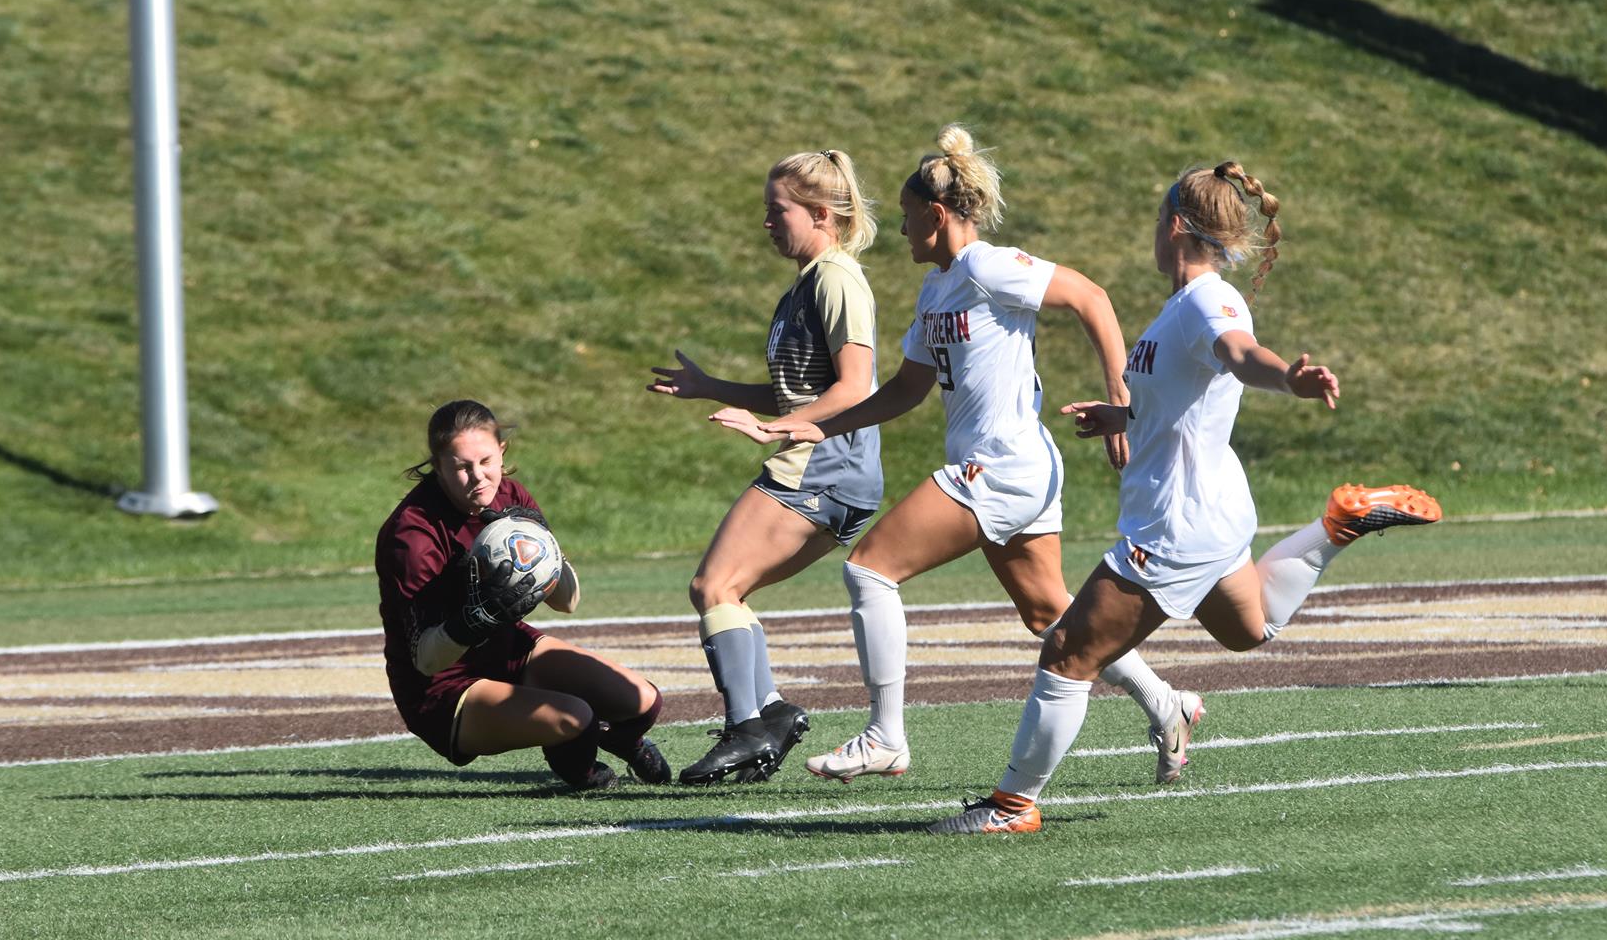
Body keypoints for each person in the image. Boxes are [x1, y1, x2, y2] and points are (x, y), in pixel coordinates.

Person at [927, 161, 1442, 835]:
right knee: (1247, 628)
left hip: (1175, 524)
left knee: (1067, 654)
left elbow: (1238, 351)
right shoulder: (1179, 305)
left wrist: (1287, 378)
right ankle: (1337, 524)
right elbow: (1184, 395)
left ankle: (1011, 805)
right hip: (1211, 509)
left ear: (1173, 224)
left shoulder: (1207, 299)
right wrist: (1123, 418)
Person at [715, 125, 1200, 783]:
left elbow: (1091, 297)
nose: (903, 232)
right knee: (1046, 611)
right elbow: (906, 390)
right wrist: (815, 426)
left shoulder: (984, 264)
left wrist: (1119, 386)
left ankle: (886, 734)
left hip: (1001, 465)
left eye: (911, 219)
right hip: (1014, 468)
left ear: (937, 215)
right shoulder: (937, 288)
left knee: (869, 570)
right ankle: (1165, 702)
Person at [647, 149, 885, 784]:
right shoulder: (808, 282)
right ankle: (769, 714)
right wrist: (711, 387)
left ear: (819, 213)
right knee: (728, 592)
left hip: (823, 467)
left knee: (712, 587)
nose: (767, 223)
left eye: (776, 210)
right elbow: (798, 391)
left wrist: (771, 428)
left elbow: (855, 389)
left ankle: (751, 726)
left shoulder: (836, 278)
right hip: (823, 465)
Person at [376, 399, 669, 791]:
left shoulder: (510, 496)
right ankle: (580, 768)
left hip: (509, 649)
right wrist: (474, 619)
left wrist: (544, 542)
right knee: (576, 718)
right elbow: (427, 660)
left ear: (502, 452)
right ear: (438, 465)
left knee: (644, 701)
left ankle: (618, 740)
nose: (477, 477)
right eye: (461, 466)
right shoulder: (412, 534)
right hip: (443, 687)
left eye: (485, 461)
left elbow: (567, 601)